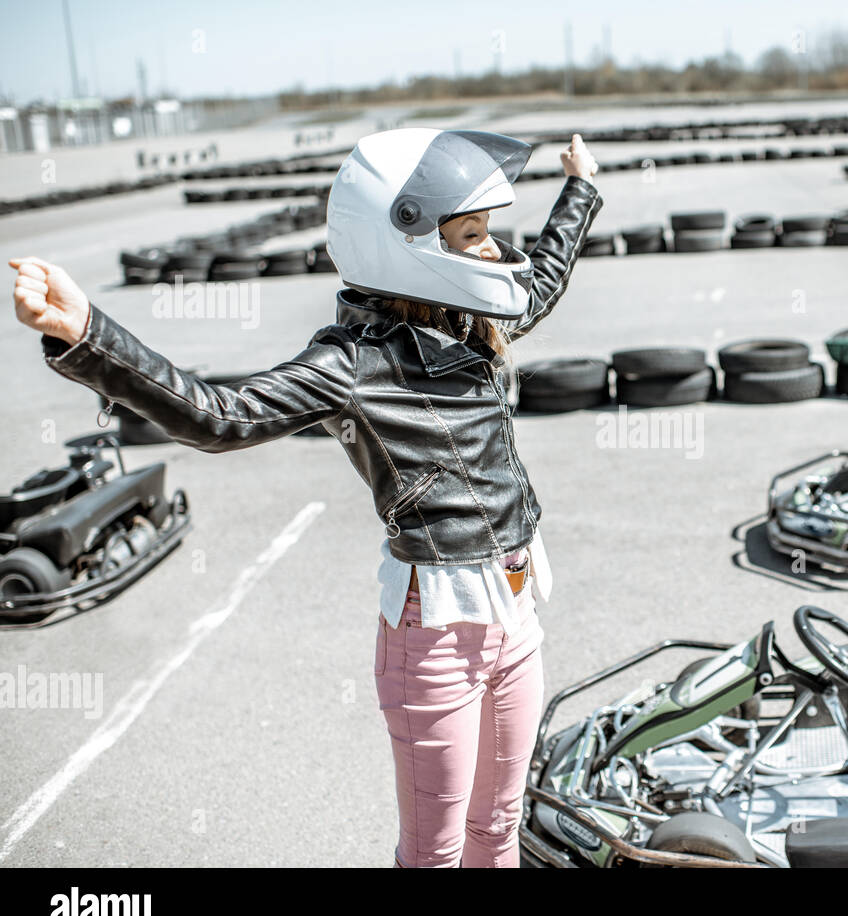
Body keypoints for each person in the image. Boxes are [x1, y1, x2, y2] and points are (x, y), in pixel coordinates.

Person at [11, 129, 603, 868]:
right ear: (408, 241)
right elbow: (220, 415)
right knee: (437, 852)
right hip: (437, 634)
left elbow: (538, 282)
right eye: (474, 234)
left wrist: (580, 187)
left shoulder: (471, 319)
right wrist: (90, 336)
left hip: (517, 612)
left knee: (499, 826)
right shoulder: (350, 365)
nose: (493, 251)